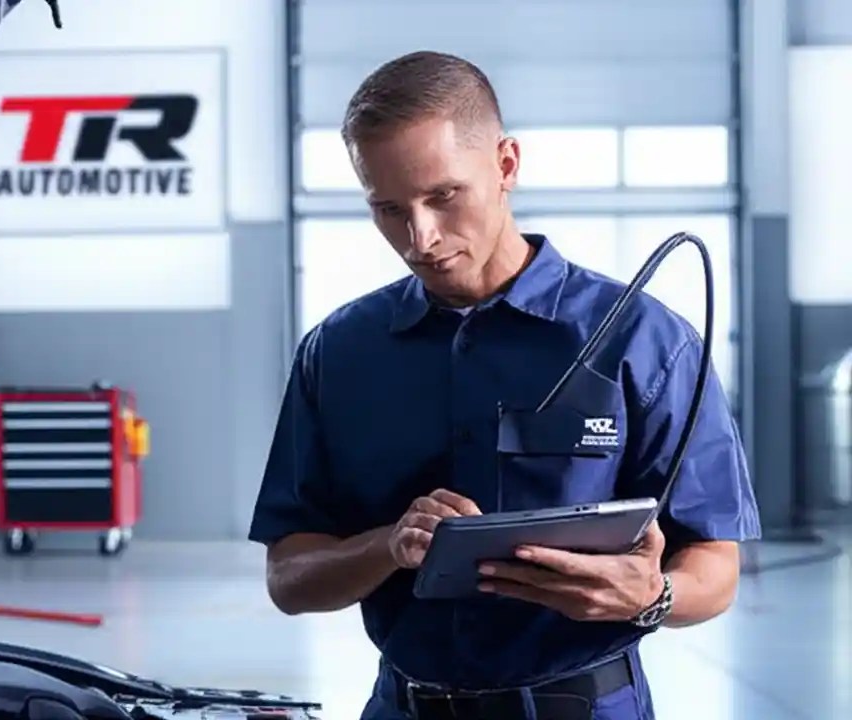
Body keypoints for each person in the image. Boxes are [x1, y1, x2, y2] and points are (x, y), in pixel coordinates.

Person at [248, 50, 761, 720]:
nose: (420, 238)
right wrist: (389, 545)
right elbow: (290, 578)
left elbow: (715, 568)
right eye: (388, 208)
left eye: (442, 197)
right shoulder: (338, 353)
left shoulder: (643, 340)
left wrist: (650, 596)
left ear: (506, 164)